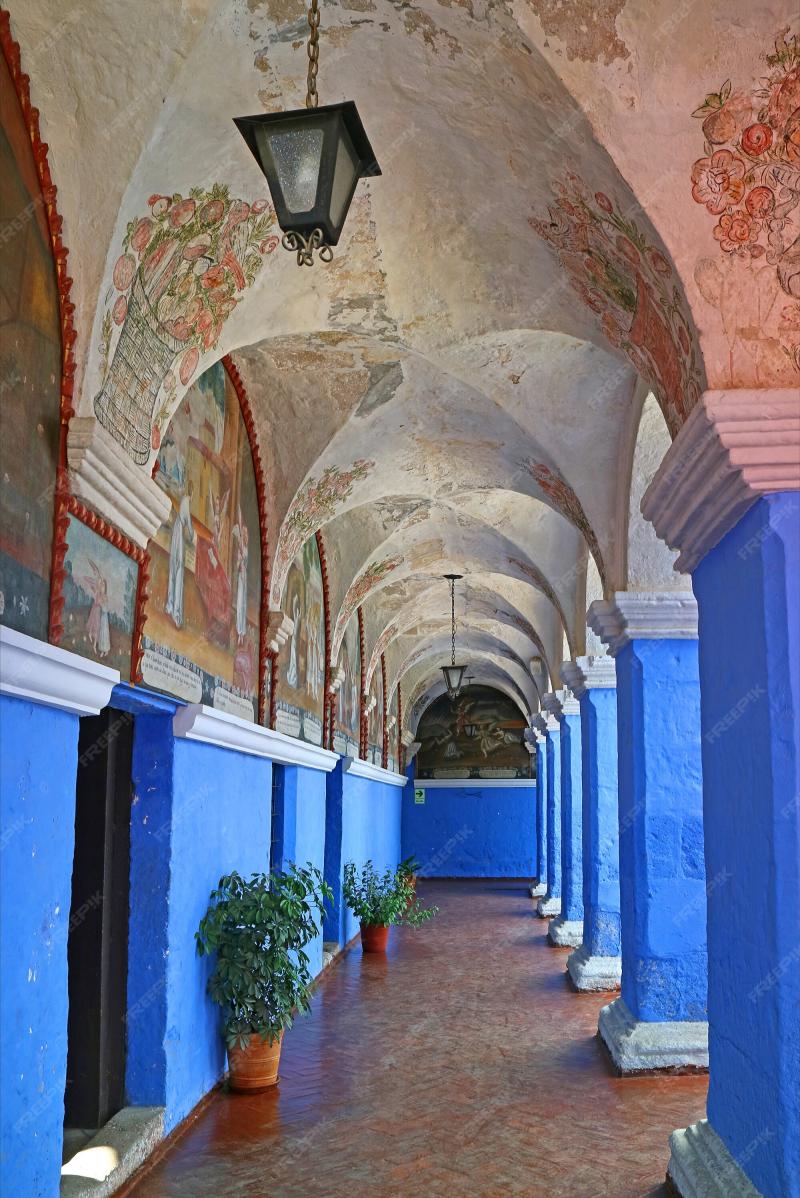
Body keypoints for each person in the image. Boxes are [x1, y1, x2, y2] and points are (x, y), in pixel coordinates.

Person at [166, 479, 195, 627]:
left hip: (177, 532)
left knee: (174, 568)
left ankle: (171, 605)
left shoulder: (184, 501)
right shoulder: (186, 501)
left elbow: (185, 519)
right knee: (178, 571)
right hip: (179, 534)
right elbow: (187, 521)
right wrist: (193, 535)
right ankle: (176, 612)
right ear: (192, 493)